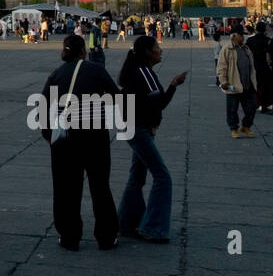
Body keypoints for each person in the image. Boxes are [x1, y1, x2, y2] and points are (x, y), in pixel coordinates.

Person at [41, 34, 121, 251]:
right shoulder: (96, 70)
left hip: (66, 141)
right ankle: (106, 237)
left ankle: (69, 237)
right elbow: (117, 96)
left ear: (64, 51)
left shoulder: (56, 74)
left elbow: (42, 109)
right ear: (84, 51)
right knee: (100, 186)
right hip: (95, 137)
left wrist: (51, 137)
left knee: (66, 189)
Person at [116, 35, 185, 243]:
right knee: (163, 178)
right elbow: (159, 103)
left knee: (136, 177)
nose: (160, 50)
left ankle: (126, 224)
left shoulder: (140, 72)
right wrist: (173, 84)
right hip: (139, 130)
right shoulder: (144, 73)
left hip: (135, 127)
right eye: (157, 47)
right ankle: (153, 228)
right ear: (148, 52)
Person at [217, 28, 258, 138]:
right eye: (241, 35)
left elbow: (252, 66)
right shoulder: (227, 49)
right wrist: (223, 81)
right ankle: (234, 128)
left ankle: (246, 126)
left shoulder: (246, 48)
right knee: (232, 109)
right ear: (234, 36)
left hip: (247, 84)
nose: (243, 37)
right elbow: (221, 67)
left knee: (252, 107)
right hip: (233, 85)